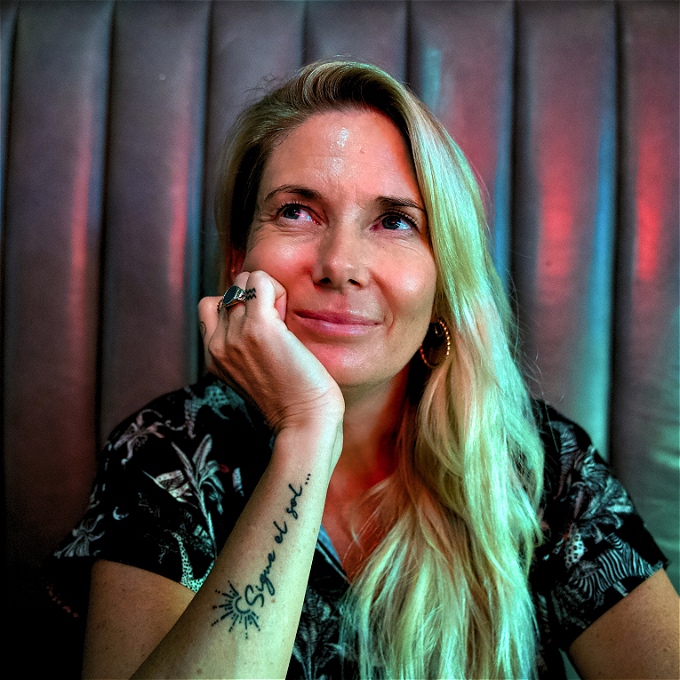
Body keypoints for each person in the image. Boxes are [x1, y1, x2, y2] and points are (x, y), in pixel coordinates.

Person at [44, 60, 678, 679]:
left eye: (395, 221)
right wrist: (307, 430)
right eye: (297, 211)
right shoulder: (167, 452)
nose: (340, 265)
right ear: (240, 258)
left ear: (443, 279)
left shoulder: (538, 464)